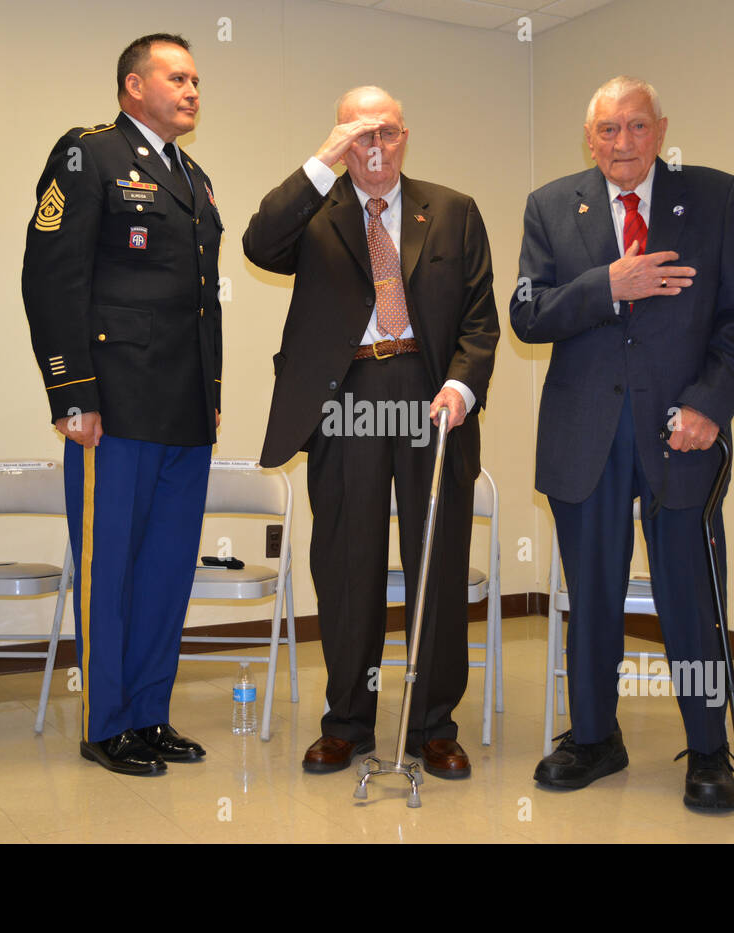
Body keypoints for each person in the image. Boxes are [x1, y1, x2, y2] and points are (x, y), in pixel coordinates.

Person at [511, 76, 734, 811]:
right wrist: (607, 283)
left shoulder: (715, 198)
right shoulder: (552, 205)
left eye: (637, 127)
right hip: (584, 435)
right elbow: (528, 314)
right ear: (589, 138)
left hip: (682, 434)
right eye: (608, 131)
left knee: (691, 599)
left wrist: (711, 406)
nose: (624, 143)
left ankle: (709, 750)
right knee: (592, 596)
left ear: (660, 128)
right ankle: (594, 737)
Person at [244, 87, 498, 779]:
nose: (375, 145)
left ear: (406, 135)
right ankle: (347, 722)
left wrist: (462, 384)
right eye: (359, 134)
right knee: (347, 563)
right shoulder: (315, 211)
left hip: (430, 393)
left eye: (385, 130)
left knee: (437, 563)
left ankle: (433, 725)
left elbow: (480, 318)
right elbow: (258, 243)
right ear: (340, 141)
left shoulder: (452, 210)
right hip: (345, 396)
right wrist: (324, 161)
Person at [21, 33, 222, 776]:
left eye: (197, 78)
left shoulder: (193, 177)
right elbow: (50, 277)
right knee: (111, 572)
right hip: (115, 405)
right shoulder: (89, 154)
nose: (193, 89)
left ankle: (148, 712)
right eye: (177, 77)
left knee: (167, 572)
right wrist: (71, 392)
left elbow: (206, 305)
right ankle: (106, 723)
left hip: (184, 409)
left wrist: (214, 393)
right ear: (133, 86)